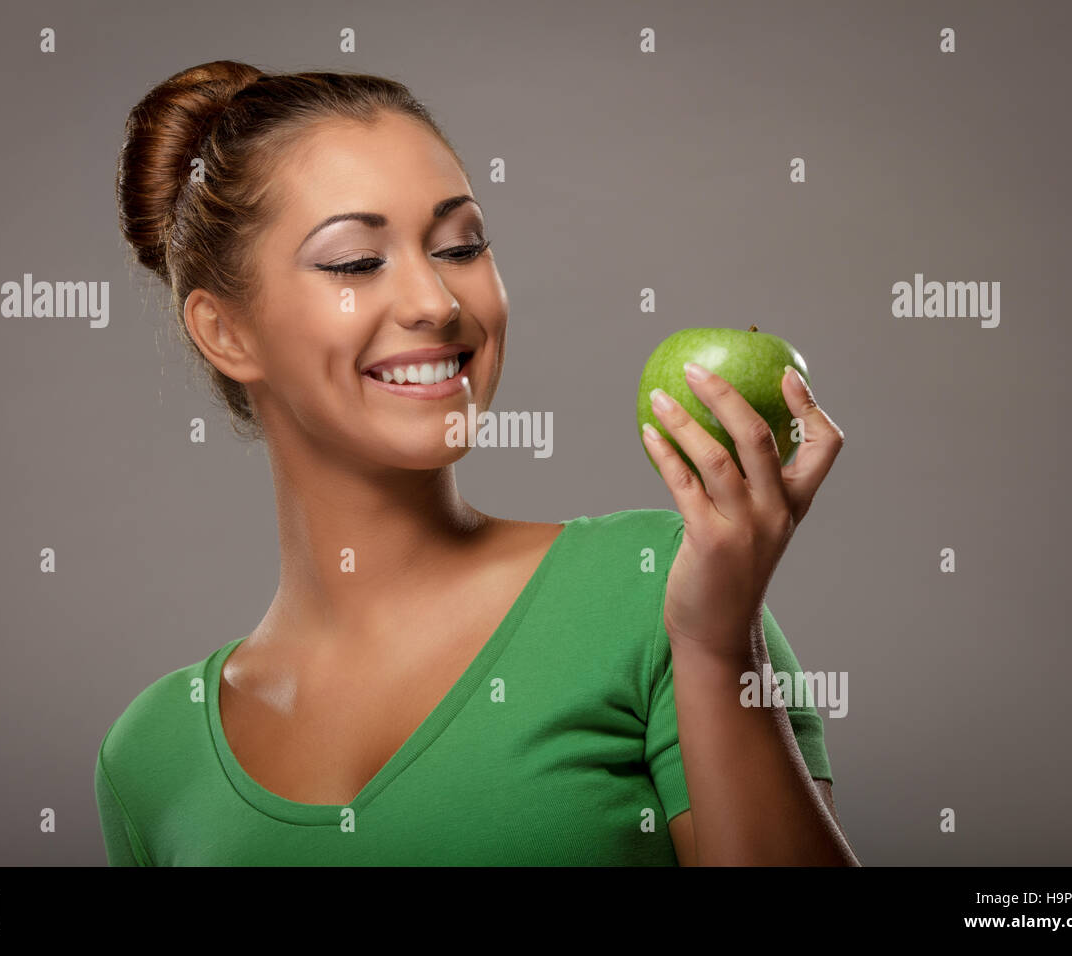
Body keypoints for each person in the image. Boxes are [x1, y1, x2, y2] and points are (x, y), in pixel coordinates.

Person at [95, 60, 857, 865]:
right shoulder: (151, 758)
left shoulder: (663, 591)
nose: (436, 301)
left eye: (462, 246)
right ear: (226, 332)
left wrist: (714, 646)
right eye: (356, 263)